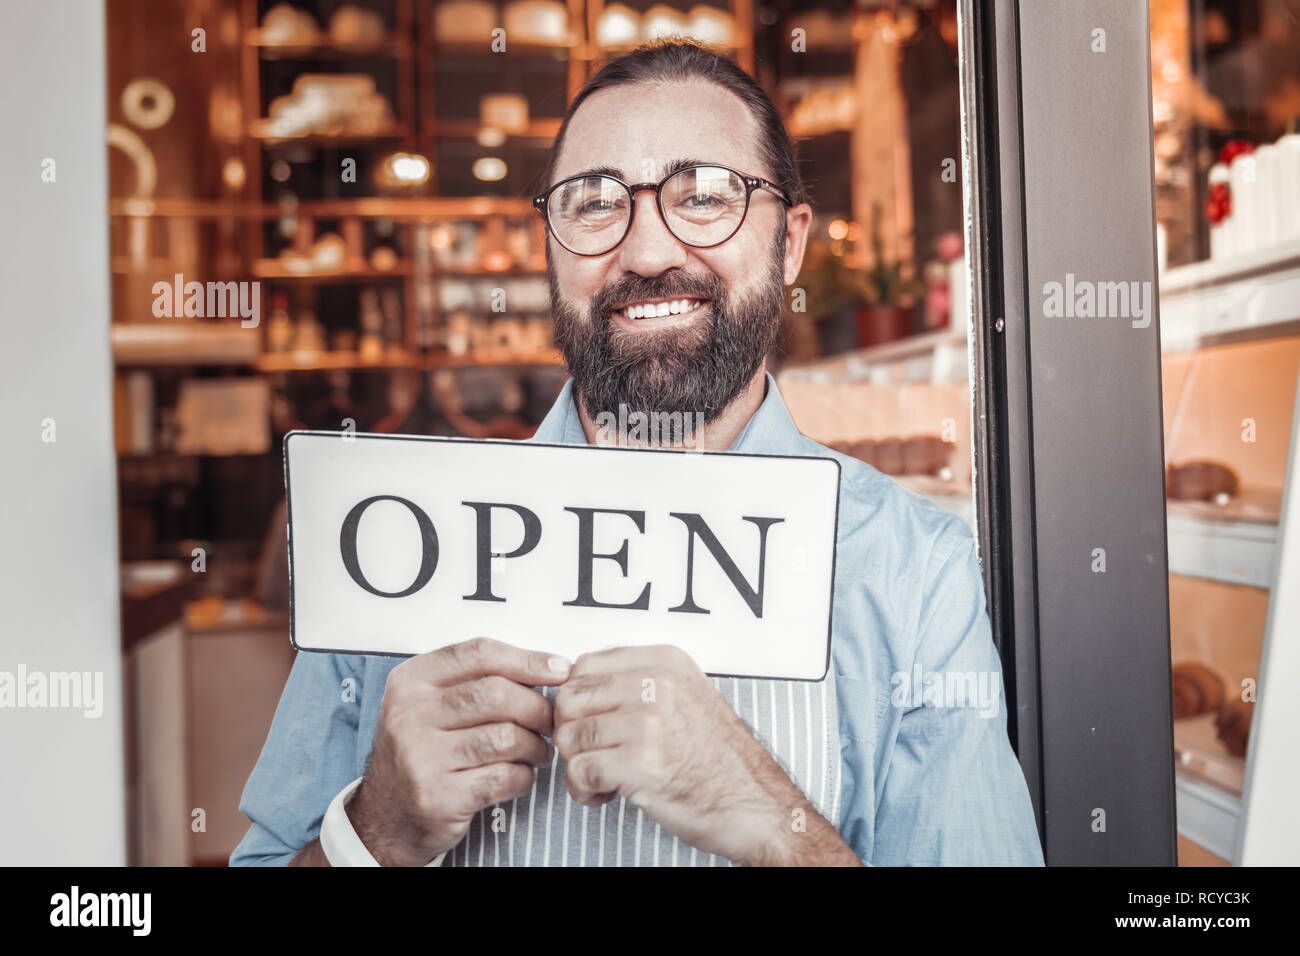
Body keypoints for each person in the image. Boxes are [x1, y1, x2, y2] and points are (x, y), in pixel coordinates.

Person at [231, 39, 1044, 867]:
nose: (649, 254)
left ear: (790, 244)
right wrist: (375, 831)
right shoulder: (399, 543)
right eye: (593, 203)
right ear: (548, 246)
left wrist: (767, 819)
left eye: (705, 197)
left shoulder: (911, 571)